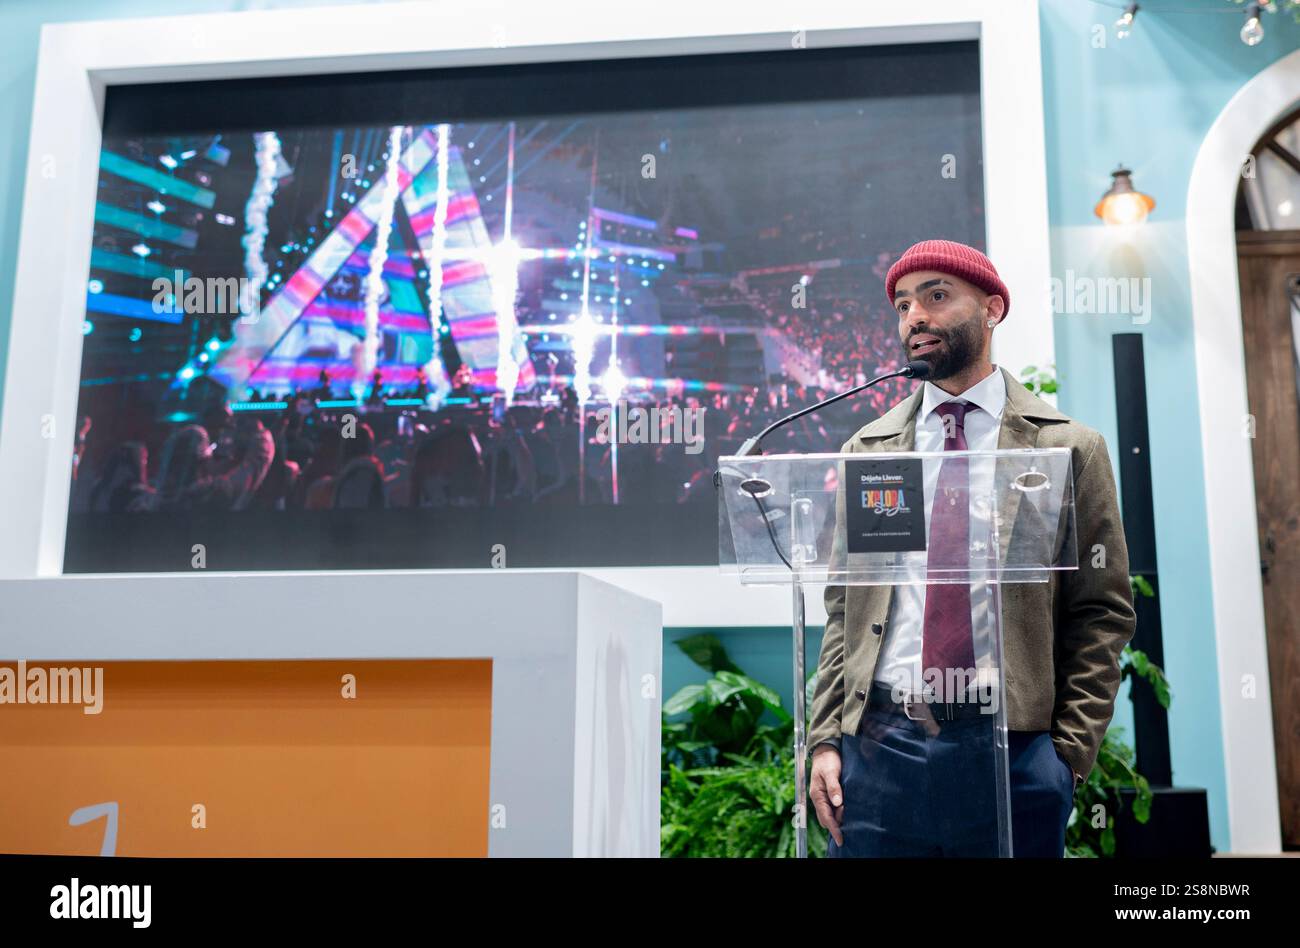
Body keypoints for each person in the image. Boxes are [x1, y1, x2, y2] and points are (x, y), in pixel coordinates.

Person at [808, 239, 1136, 857]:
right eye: (903, 305)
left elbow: (1103, 612)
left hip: (1012, 752)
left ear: (992, 309)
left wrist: (1065, 756)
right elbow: (844, 612)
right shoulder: (874, 451)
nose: (916, 318)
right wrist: (826, 739)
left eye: (936, 296)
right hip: (879, 752)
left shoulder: (1065, 448)